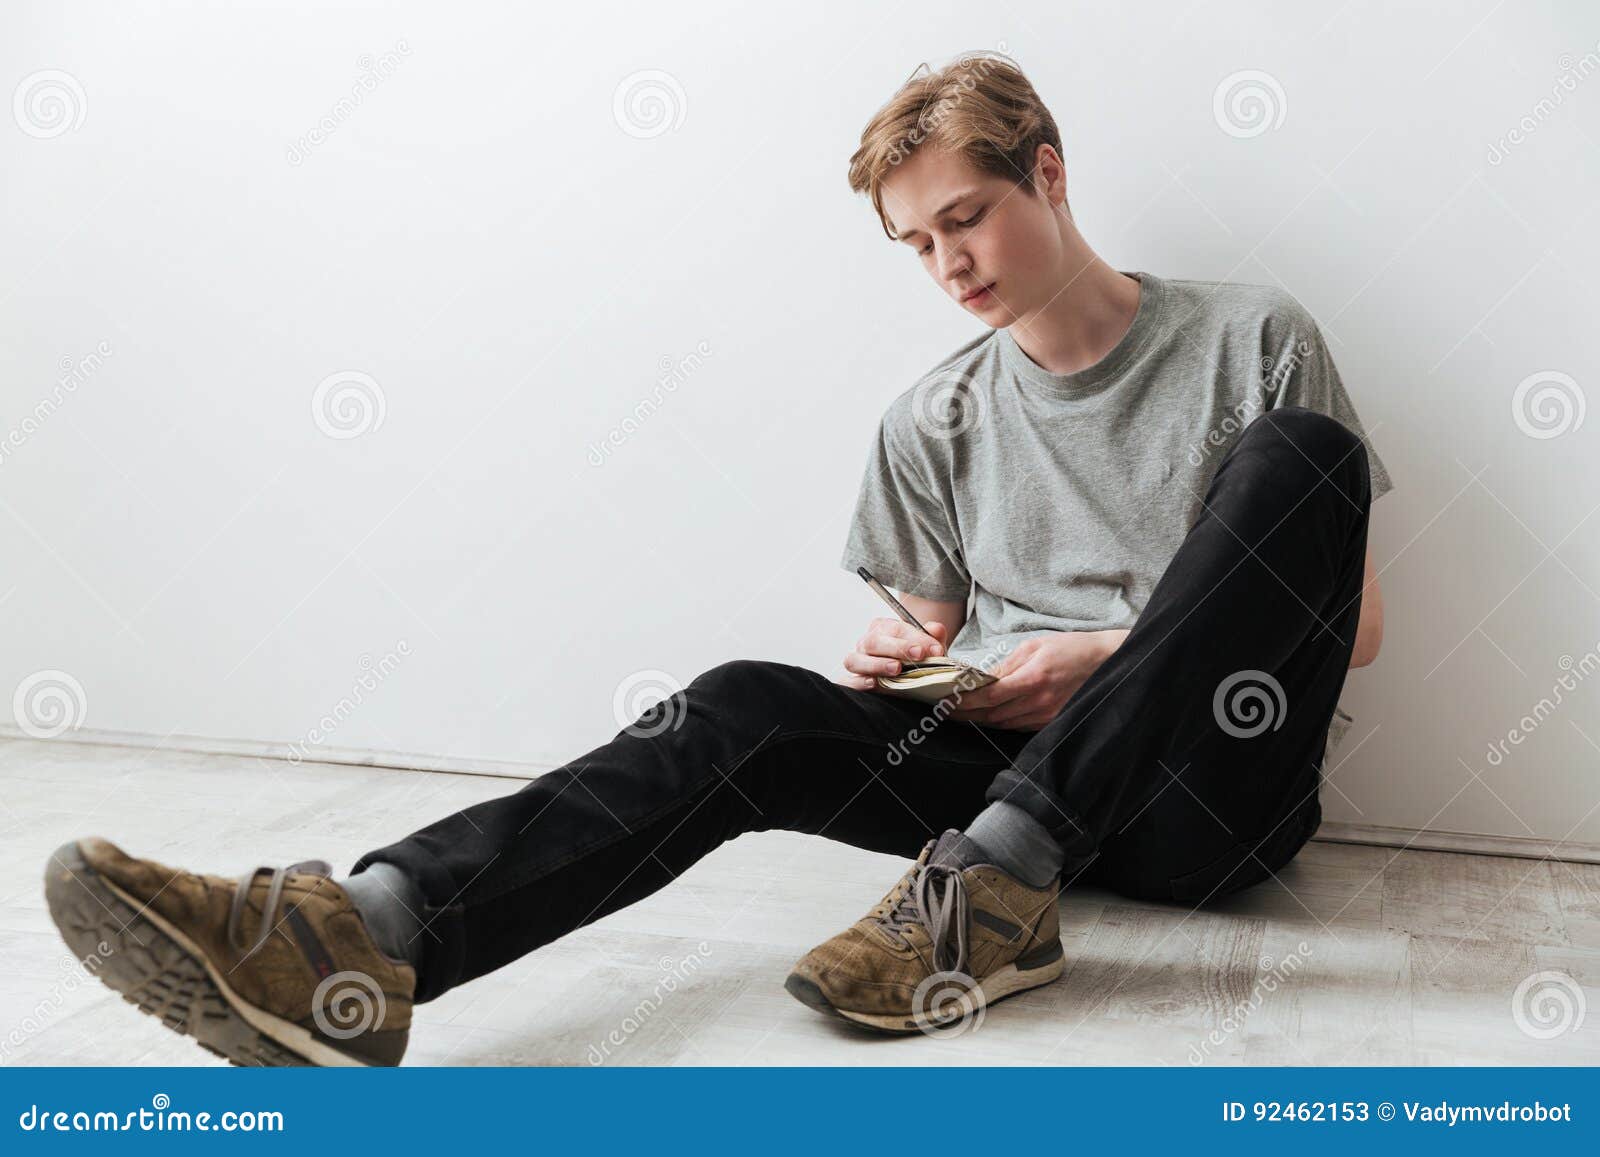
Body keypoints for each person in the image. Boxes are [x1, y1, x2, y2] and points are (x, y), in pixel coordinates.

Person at [43, 51, 1391, 1065]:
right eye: (917, 243)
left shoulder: (1252, 338)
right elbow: (925, 644)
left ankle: (999, 887)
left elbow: (1358, 624)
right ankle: (355, 939)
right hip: (998, 796)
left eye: (966, 217)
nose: (948, 264)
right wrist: (920, 671)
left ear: (1049, 170)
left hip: (1203, 794)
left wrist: (1096, 661)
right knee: (747, 696)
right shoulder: (933, 413)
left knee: (1305, 460)